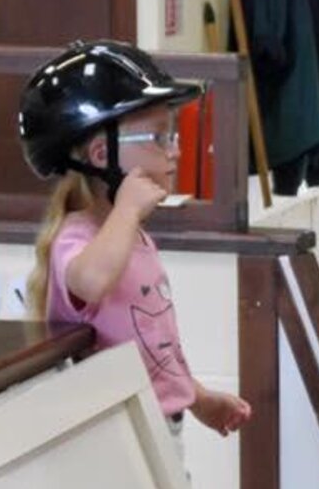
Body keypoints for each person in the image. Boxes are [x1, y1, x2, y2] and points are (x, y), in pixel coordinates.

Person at [19, 40, 252, 448]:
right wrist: (127, 211)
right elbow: (90, 281)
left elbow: (153, 345)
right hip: (112, 438)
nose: (175, 151)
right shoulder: (77, 235)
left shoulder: (135, 239)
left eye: (173, 135)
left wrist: (196, 398)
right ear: (99, 153)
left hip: (159, 425)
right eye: (159, 138)